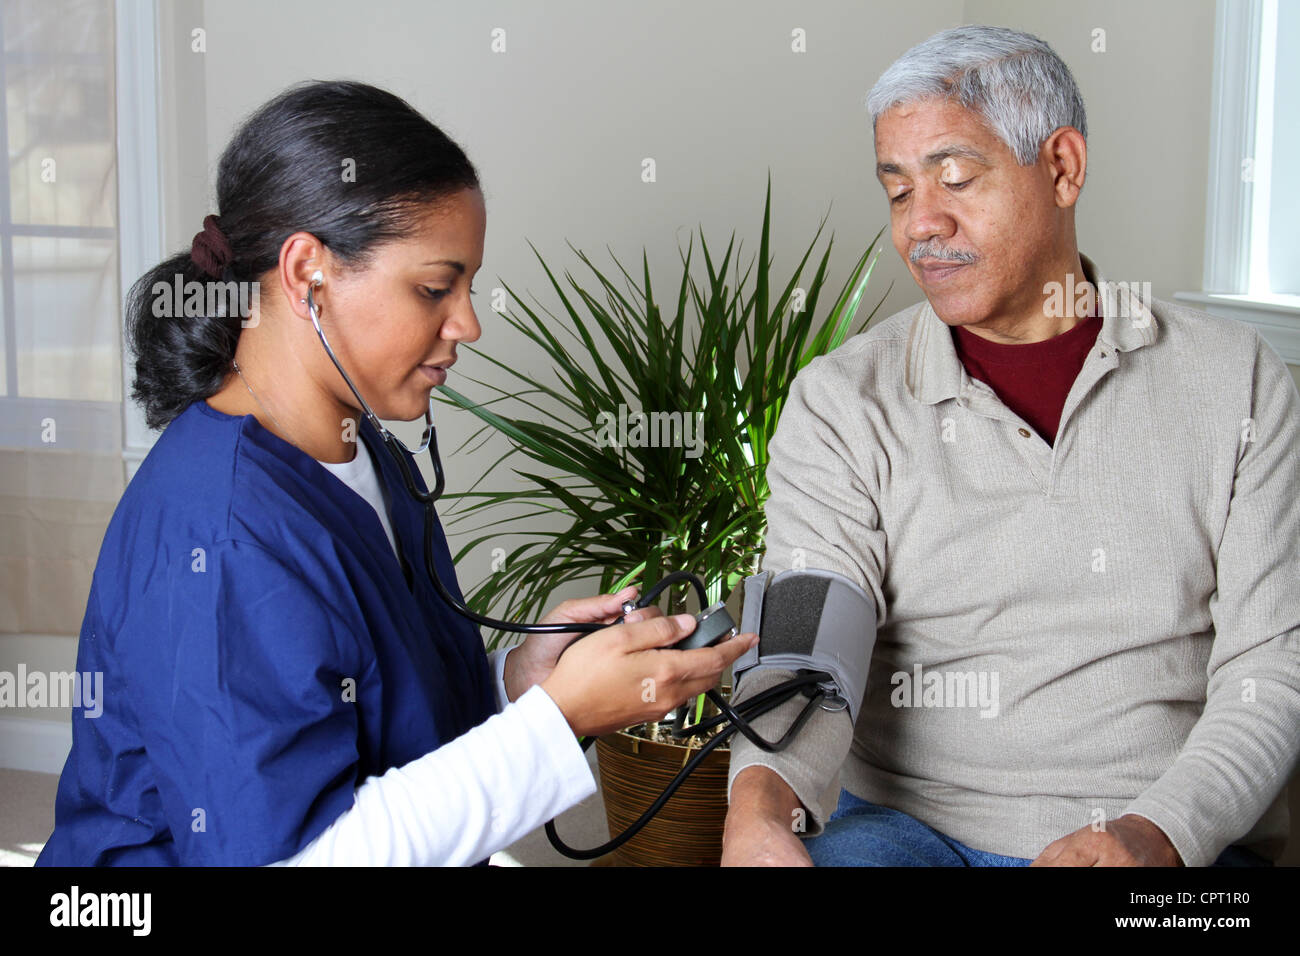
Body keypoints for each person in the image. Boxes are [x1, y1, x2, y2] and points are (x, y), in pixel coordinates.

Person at [36, 80, 756, 866]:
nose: (469, 324)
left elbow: (375, 715)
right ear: (308, 271)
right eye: (434, 288)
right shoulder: (222, 535)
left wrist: (516, 684)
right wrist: (557, 720)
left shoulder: (367, 453)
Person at [721, 25, 1300, 867]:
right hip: (904, 835)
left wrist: (1158, 833)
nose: (922, 225)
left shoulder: (1233, 382)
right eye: (896, 192)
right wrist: (760, 809)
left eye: (956, 178)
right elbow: (809, 629)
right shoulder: (844, 401)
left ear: (1062, 167)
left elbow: (1273, 662)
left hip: (1162, 839)